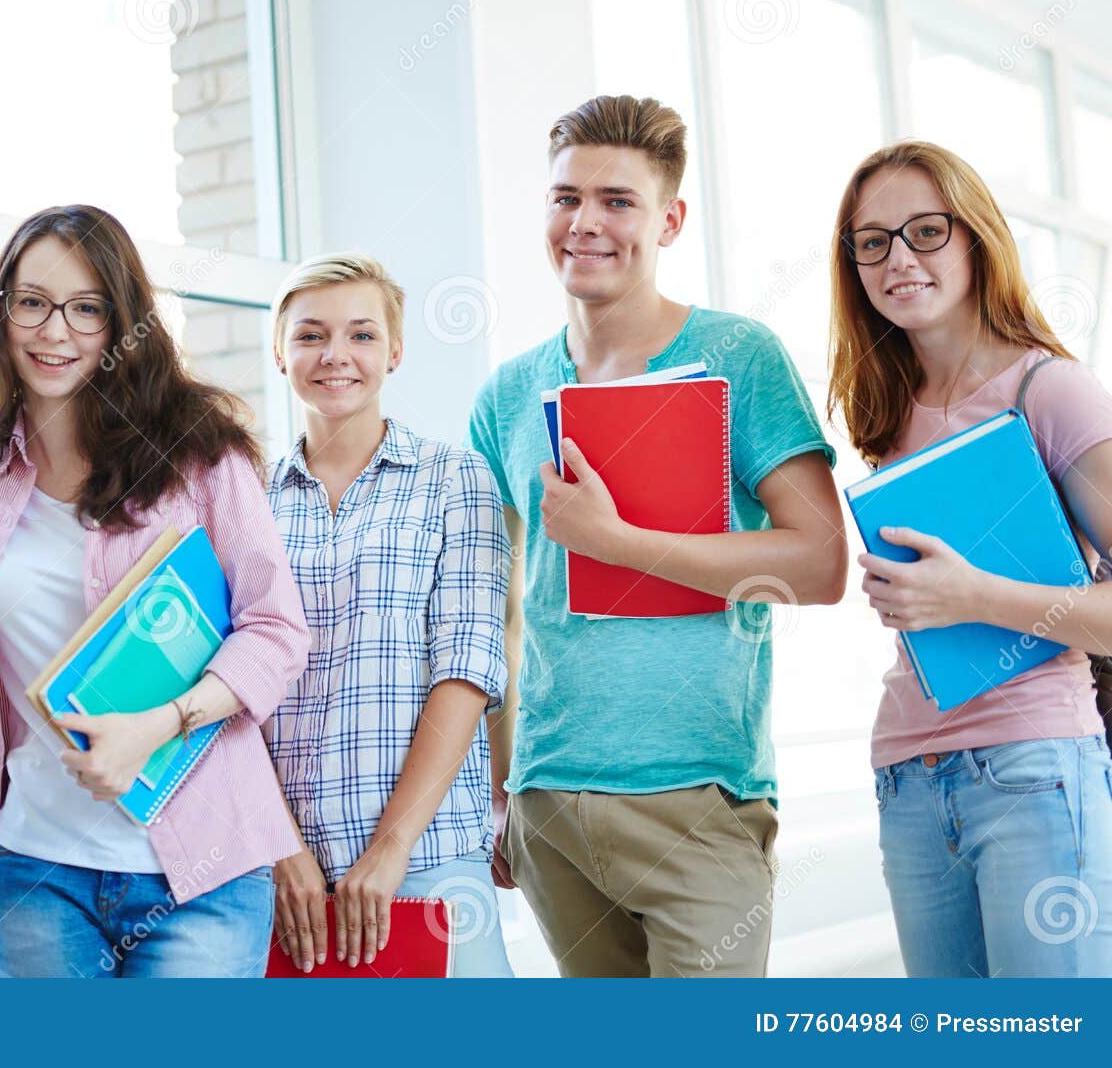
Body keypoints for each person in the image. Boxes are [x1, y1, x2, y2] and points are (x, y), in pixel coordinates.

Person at [465, 94, 847, 976]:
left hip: (700, 800)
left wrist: (617, 541)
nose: (586, 222)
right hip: (550, 802)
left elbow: (822, 563)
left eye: (618, 200)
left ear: (670, 220)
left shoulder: (739, 357)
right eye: (566, 198)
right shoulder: (507, 394)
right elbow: (494, 609)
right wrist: (497, 789)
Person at [0, 204, 309, 977]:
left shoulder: (199, 455)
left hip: (203, 871)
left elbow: (275, 630)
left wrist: (160, 725)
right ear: (2, 310)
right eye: (33, 303)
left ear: (120, 324)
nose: (55, 332)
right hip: (35, 872)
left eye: (86, 309)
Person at [828, 139, 1112, 977]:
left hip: (1033, 765)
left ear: (976, 239)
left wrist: (969, 594)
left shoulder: (1049, 391)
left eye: (925, 231)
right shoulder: (886, 411)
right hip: (909, 778)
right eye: (872, 241)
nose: (898, 258)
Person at [265, 254, 514, 977]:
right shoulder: (248, 499)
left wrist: (391, 848)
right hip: (290, 878)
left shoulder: (456, 477)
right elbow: (234, 696)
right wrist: (282, 851)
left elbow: (466, 669)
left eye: (362, 335)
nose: (335, 355)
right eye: (310, 335)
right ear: (279, 352)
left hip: (430, 855)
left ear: (395, 352)